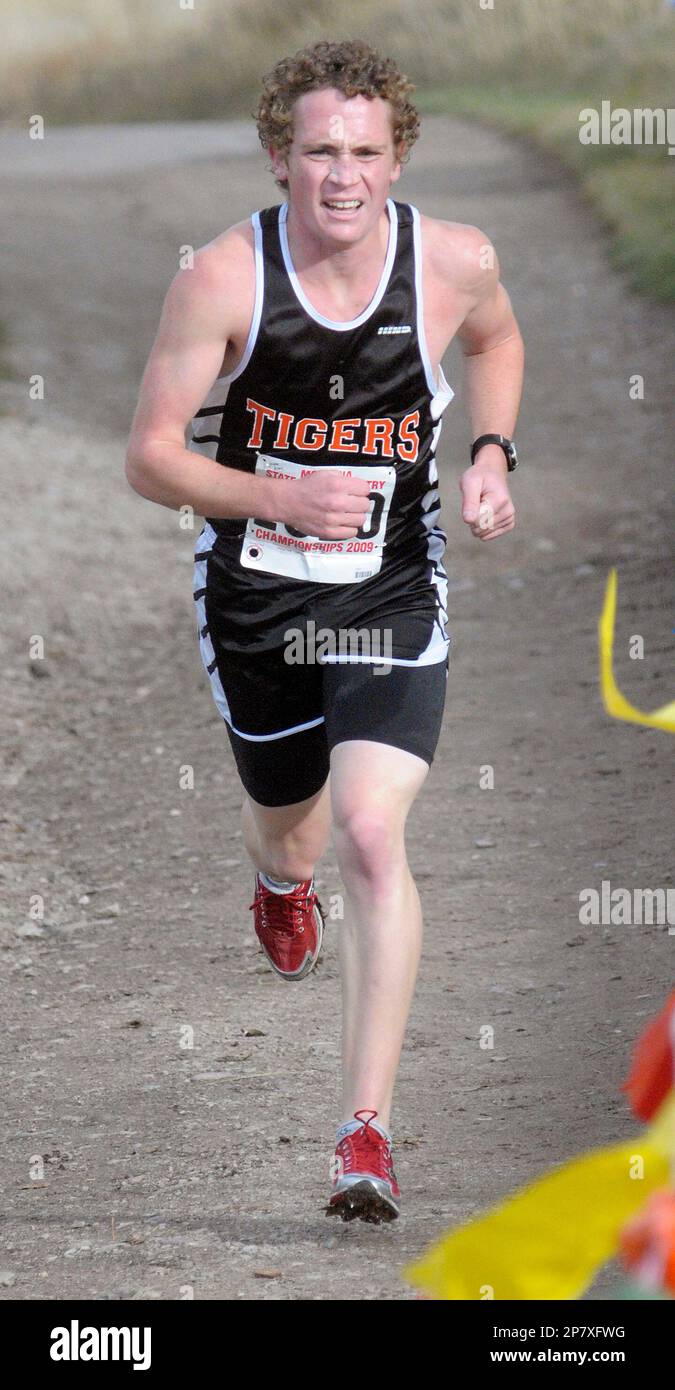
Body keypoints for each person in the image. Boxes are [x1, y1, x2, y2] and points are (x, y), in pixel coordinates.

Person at [125, 38, 524, 1225]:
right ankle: (268, 876)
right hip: (255, 601)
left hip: (392, 594)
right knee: (295, 839)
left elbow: (499, 344)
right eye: (317, 152)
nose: (341, 175)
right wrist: (281, 497)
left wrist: (492, 454)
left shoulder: (452, 262)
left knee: (365, 830)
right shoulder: (220, 278)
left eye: (364, 150)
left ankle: (365, 1132)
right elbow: (150, 458)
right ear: (276, 155)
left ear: (397, 156)